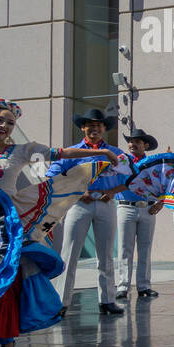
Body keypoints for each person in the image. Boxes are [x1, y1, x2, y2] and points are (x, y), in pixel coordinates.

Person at [0, 99, 121, 347]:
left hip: (8, 226)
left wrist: (101, 154)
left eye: (11, 123)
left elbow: (60, 153)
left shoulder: (21, 151)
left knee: (6, 279)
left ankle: (6, 335)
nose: (4, 126)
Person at [50, 107, 127, 315]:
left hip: (105, 203)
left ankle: (107, 300)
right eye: (90, 125)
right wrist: (75, 189)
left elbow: (130, 179)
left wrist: (112, 192)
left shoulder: (117, 153)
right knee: (70, 252)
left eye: (98, 125)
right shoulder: (74, 151)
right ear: (83, 127)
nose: (95, 129)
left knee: (106, 253)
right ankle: (61, 302)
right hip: (78, 203)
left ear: (104, 129)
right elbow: (53, 175)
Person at [114, 127, 164, 300]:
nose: (132, 144)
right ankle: (122, 286)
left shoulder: (153, 164)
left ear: (145, 145)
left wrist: (161, 203)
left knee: (145, 248)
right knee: (124, 248)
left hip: (147, 208)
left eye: (137, 142)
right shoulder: (122, 162)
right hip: (126, 207)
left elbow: (164, 184)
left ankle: (143, 286)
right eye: (130, 141)